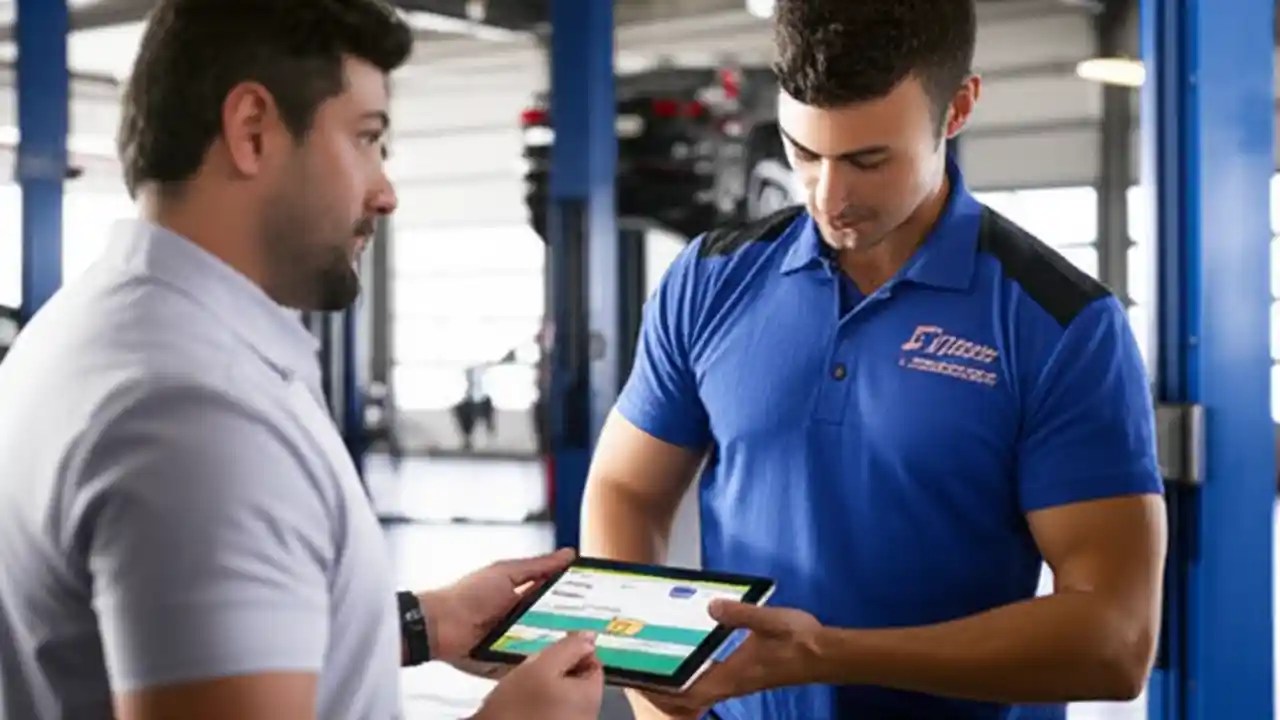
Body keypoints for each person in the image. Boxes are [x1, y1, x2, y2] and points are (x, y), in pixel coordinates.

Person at [0, 1, 603, 719]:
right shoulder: (201, 418)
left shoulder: (92, 326)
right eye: (366, 139)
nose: (385, 191)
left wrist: (422, 624)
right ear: (253, 130)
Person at [580, 1, 1167, 719]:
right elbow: (626, 486)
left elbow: (1113, 640)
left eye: (867, 160)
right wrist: (649, 680)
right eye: (804, 153)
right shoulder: (711, 280)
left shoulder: (1060, 326)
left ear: (957, 109)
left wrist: (831, 653)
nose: (830, 197)